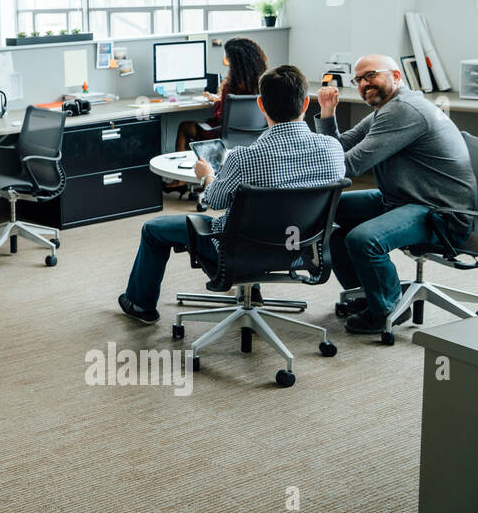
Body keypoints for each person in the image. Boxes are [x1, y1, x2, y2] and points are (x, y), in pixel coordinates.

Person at [119, 65, 346, 323]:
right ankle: (253, 290)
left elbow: (214, 200)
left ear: (261, 105)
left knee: (153, 229)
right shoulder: (333, 148)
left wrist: (207, 175)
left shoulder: (244, 158)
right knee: (262, 220)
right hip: (301, 249)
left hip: (242, 252)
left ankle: (140, 305)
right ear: (306, 102)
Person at [316, 54, 477, 334]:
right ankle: (366, 294)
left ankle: (387, 308)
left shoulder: (403, 111)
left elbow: (350, 165)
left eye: (371, 75)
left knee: (363, 239)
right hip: (404, 198)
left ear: (396, 76)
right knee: (326, 209)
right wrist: (328, 114)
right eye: (359, 79)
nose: (365, 84)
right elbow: (339, 148)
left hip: (440, 211)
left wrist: (297, 169)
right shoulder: (385, 110)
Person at [166, 37, 267, 195]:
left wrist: (218, 100)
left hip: (220, 134)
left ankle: (180, 181)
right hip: (253, 136)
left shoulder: (230, 85)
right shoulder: (263, 82)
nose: (224, 60)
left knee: (184, 127)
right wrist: (219, 99)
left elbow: (220, 116)